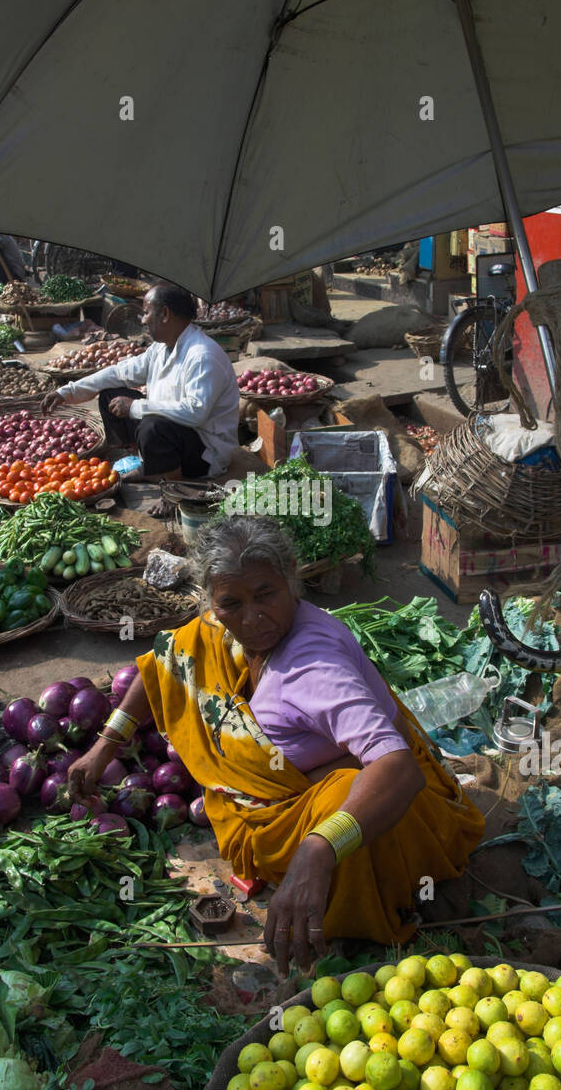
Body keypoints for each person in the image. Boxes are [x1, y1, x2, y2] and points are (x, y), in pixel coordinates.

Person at [66, 517, 485, 971]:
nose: (252, 617)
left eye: (266, 595)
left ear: (291, 577)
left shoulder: (312, 669)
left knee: (345, 798)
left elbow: (397, 767)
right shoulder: (220, 627)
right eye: (232, 603)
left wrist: (318, 851)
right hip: (277, 800)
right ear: (211, 598)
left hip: (383, 812)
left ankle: (356, 910)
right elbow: (169, 665)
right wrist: (105, 745)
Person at [43, 282, 240, 483]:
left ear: (164, 314)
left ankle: (174, 483)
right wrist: (67, 392)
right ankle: (145, 461)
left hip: (203, 452)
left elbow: (194, 413)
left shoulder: (202, 356)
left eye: (146, 313)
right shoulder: (161, 348)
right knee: (110, 394)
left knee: (152, 426)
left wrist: (135, 407)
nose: (143, 320)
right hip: (174, 431)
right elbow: (119, 372)